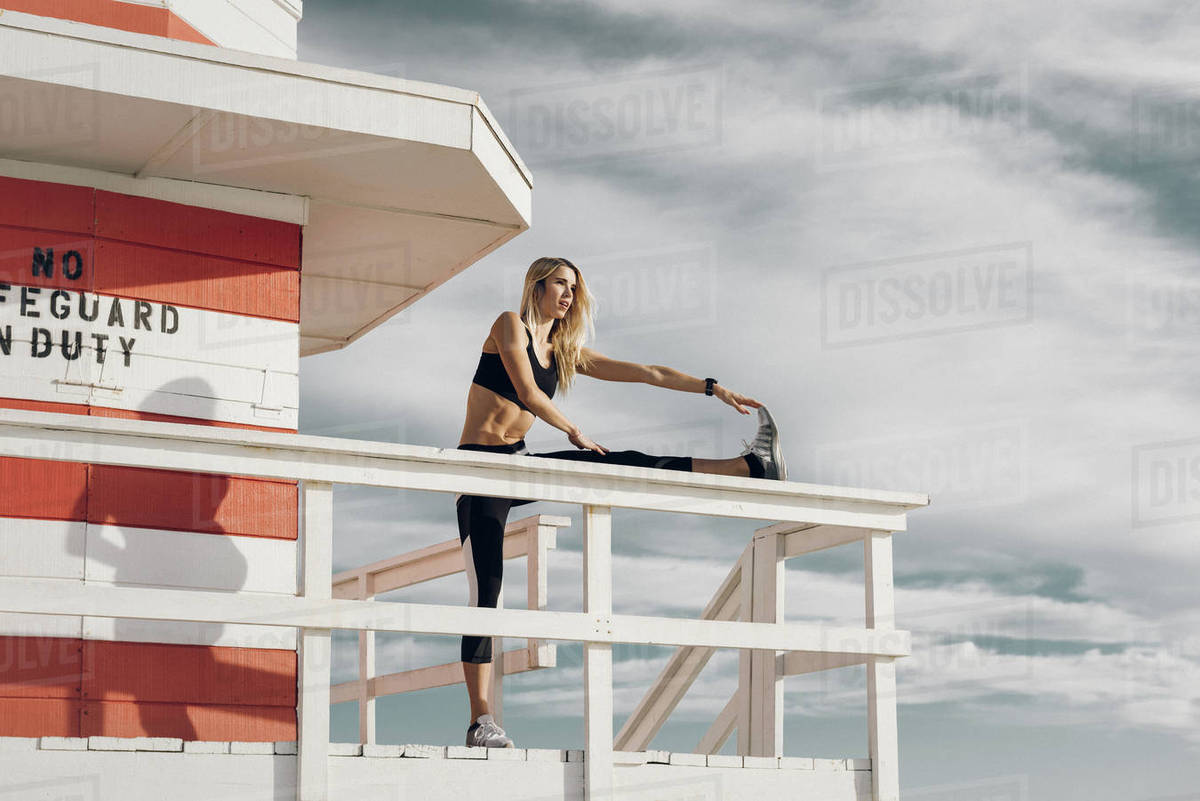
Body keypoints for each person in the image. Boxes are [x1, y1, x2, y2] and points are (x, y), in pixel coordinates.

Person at [454, 256, 785, 748]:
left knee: (624, 459)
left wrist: (712, 389)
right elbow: (525, 390)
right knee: (488, 590)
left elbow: (648, 372)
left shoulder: (564, 351)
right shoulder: (509, 326)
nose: (568, 294)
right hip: (479, 470)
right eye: (560, 284)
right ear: (537, 286)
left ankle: (752, 467)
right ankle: (482, 720)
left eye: (575, 287)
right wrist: (573, 430)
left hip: (520, 462)